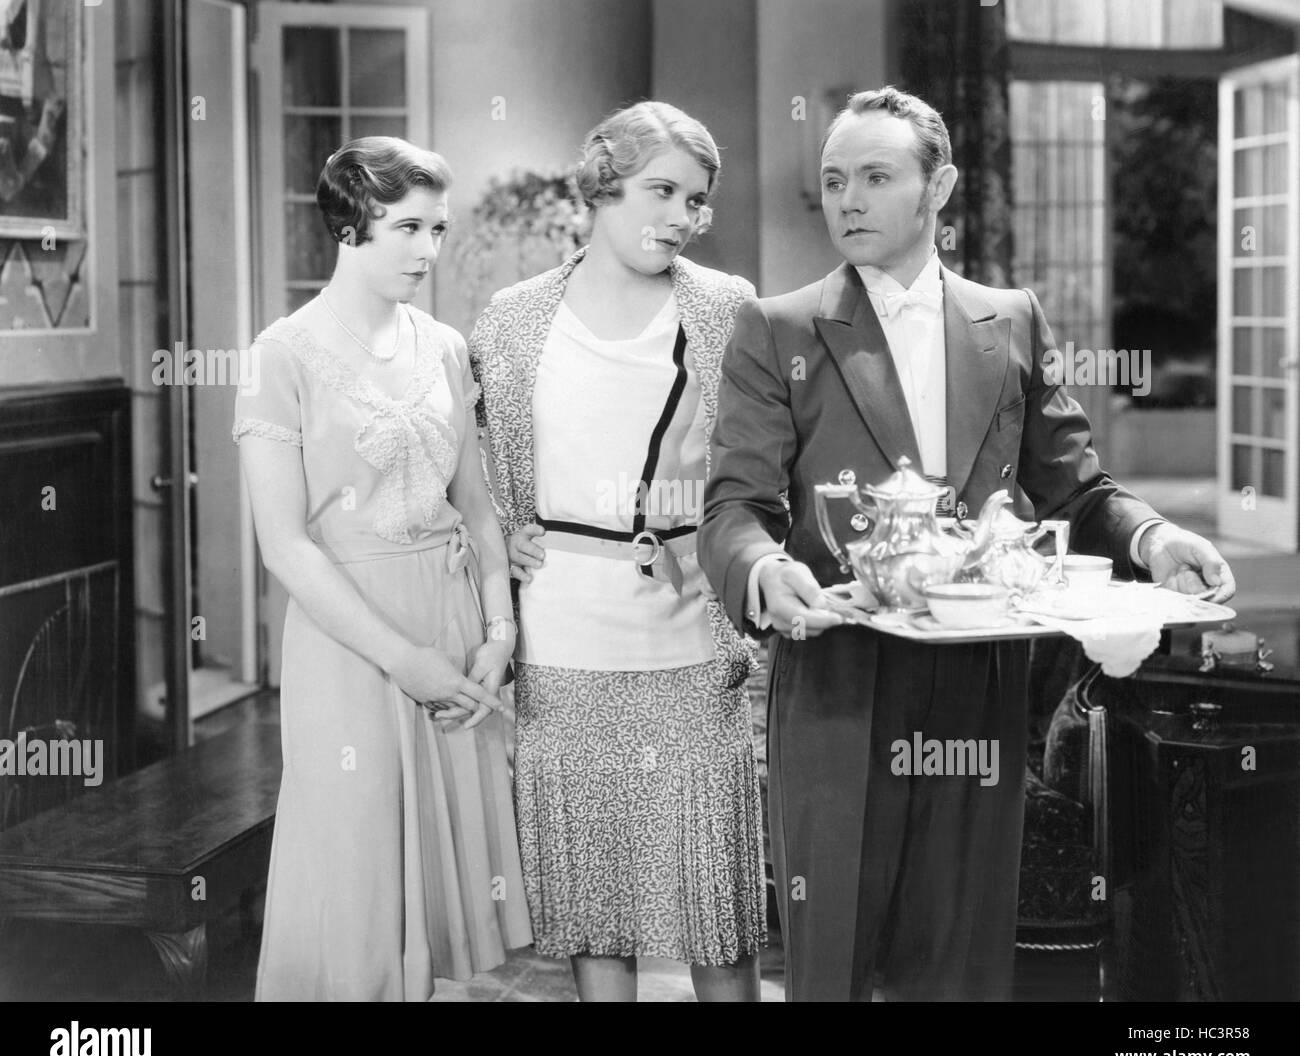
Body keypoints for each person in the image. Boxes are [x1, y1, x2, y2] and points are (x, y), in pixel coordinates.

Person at [698, 87, 1236, 1002]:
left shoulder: (1012, 318)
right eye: (834, 180)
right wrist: (763, 567)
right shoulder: (775, 327)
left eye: (875, 176)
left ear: (937, 186)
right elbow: (731, 509)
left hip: (980, 682)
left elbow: (1077, 487)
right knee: (829, 960)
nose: (848, 200)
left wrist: (1153, 536)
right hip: (837, 680)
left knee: (961, 961)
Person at [470, 102, 766, 1002]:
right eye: (661, 191)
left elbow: (754, 474)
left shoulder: (727, 309)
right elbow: (486, 469)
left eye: (697, 200)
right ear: (603, 186)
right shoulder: (512, 320)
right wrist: (509, 528)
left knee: (716, 901)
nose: (682, 216)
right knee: (592, 904)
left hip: (690, 631)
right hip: (562, 634)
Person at [233, 136, 532, 1001]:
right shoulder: (280, 354)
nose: (429, 252)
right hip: (351, 639)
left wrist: (499, 632)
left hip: (455, 620)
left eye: (438, 228)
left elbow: (478, 509)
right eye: (408, 227)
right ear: (349, 223)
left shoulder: (443, 346)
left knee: (438, 886)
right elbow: (284, 545)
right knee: (357, 866)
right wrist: (407, 661)